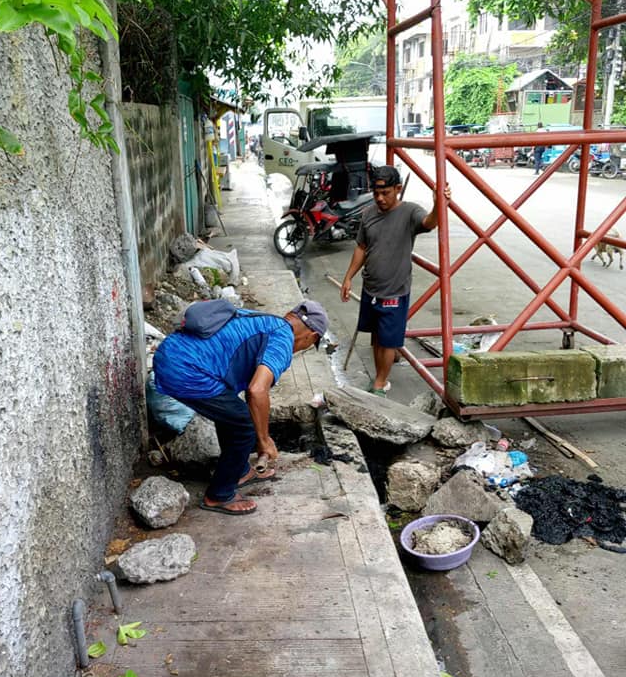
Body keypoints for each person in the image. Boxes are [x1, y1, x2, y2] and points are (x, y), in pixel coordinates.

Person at [153, 299, 328, 515]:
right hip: (185, 371)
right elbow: (257, 391)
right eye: (310, 344)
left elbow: (249, 391)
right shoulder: (283, 340)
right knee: (245, 426)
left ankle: (240, 471)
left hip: (170, 354)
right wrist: (264, 440)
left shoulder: (264, 321)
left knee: (233, 414)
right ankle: (219, 495)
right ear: (312, 337)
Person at [340, 165, 449, 395]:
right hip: (371, 288)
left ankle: (380, 382)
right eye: (376, 192)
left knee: (388, 340)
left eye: (385, 193)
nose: (380, 198)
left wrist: (439, 202)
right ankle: (382, 372)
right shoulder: (368, 214)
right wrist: (348, 277)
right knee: (377, 336)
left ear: (397, 189)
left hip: (394, 291)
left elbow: (430, 222)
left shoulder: (409, 213)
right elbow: (361, 248)